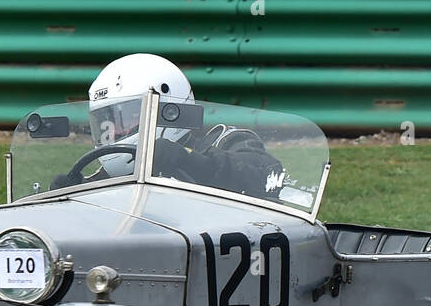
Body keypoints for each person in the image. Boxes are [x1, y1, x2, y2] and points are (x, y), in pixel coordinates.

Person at [51, 53, 285, 199]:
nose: (117, 132)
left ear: (170, 108)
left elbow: (270, 176)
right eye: (107, 122)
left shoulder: (225, 141)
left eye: (129, 118)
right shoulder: (106, 175)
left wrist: (189, 160)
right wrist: (69, 195)